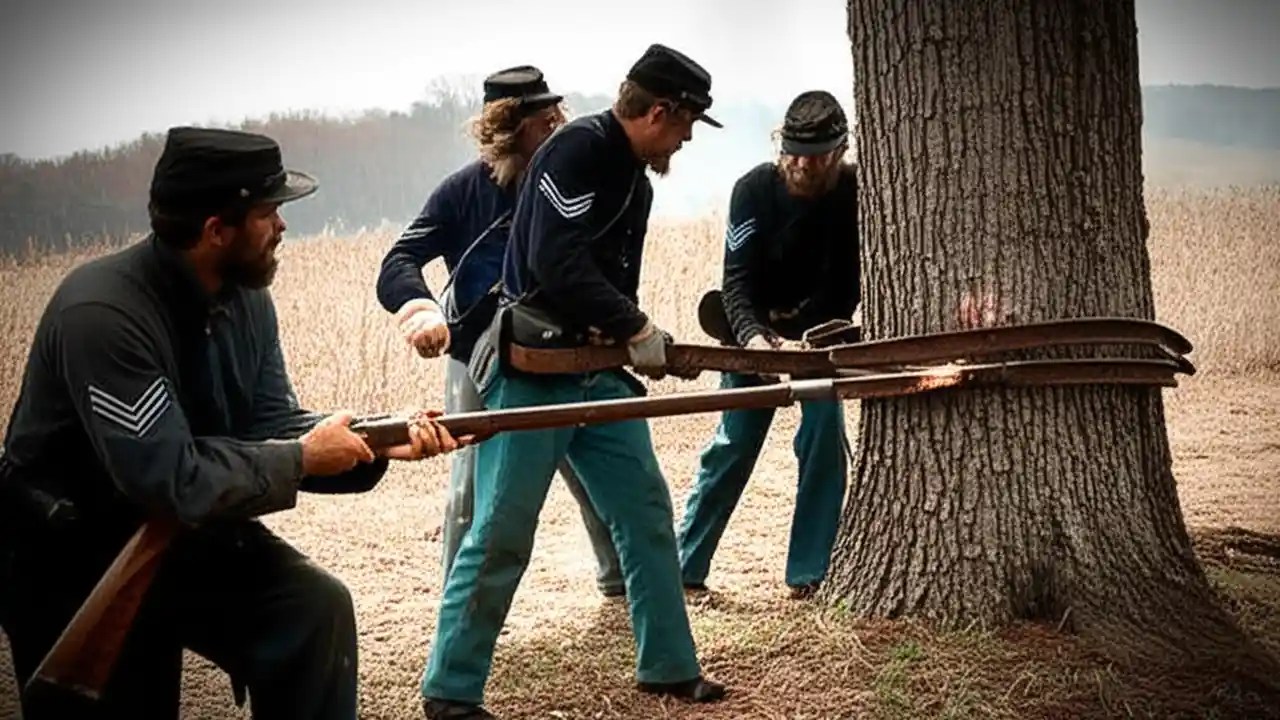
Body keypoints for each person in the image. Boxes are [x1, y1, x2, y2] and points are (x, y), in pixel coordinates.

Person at [0, 126, 469, 720]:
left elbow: (269, 421)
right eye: (268, 211)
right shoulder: (103, 315)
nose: (282, 226)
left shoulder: (244, 294)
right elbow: (167, 476)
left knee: (312, 610)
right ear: (215, 229)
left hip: (181, 531)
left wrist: (379, 438)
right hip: (76, 554)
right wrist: (302, 458)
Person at [418, 44, 728, 719]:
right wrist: (636, 325)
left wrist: (625, 336)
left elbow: (614, 278)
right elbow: (554, 261)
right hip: (534, 372)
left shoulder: (636, 182)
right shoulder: (576, 151)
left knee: (645, 510)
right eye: (684, 125)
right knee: (501, 528)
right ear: (657, 111)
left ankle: (669, 667)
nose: (684, 139)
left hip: (596, 373)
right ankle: (449, 690)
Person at [375, 65, 624, 596]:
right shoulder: (461, 193)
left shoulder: (578, 185)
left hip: (563, 352)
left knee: (591, 465)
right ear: (508, 130)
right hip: (477, 357)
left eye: (559, 118)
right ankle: (456, 600)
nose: (557, 130)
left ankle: (618, 578)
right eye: (543, 123)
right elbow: (399, 259)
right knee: (471, 488)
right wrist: (421, 309)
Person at [676, 90, 860, 600]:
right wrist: (758, 341)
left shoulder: (854, 194)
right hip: (751, 334)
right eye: (796, 150)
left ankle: (811, 572)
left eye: (819, 154)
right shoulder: (753, 190)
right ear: (781, 145)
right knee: (733, 444)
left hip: (821, 337)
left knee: (824, 439)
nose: (805, 163)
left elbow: (849, 285)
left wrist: (809, 338)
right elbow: (735, 283)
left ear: (840, 150)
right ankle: (685, 569)